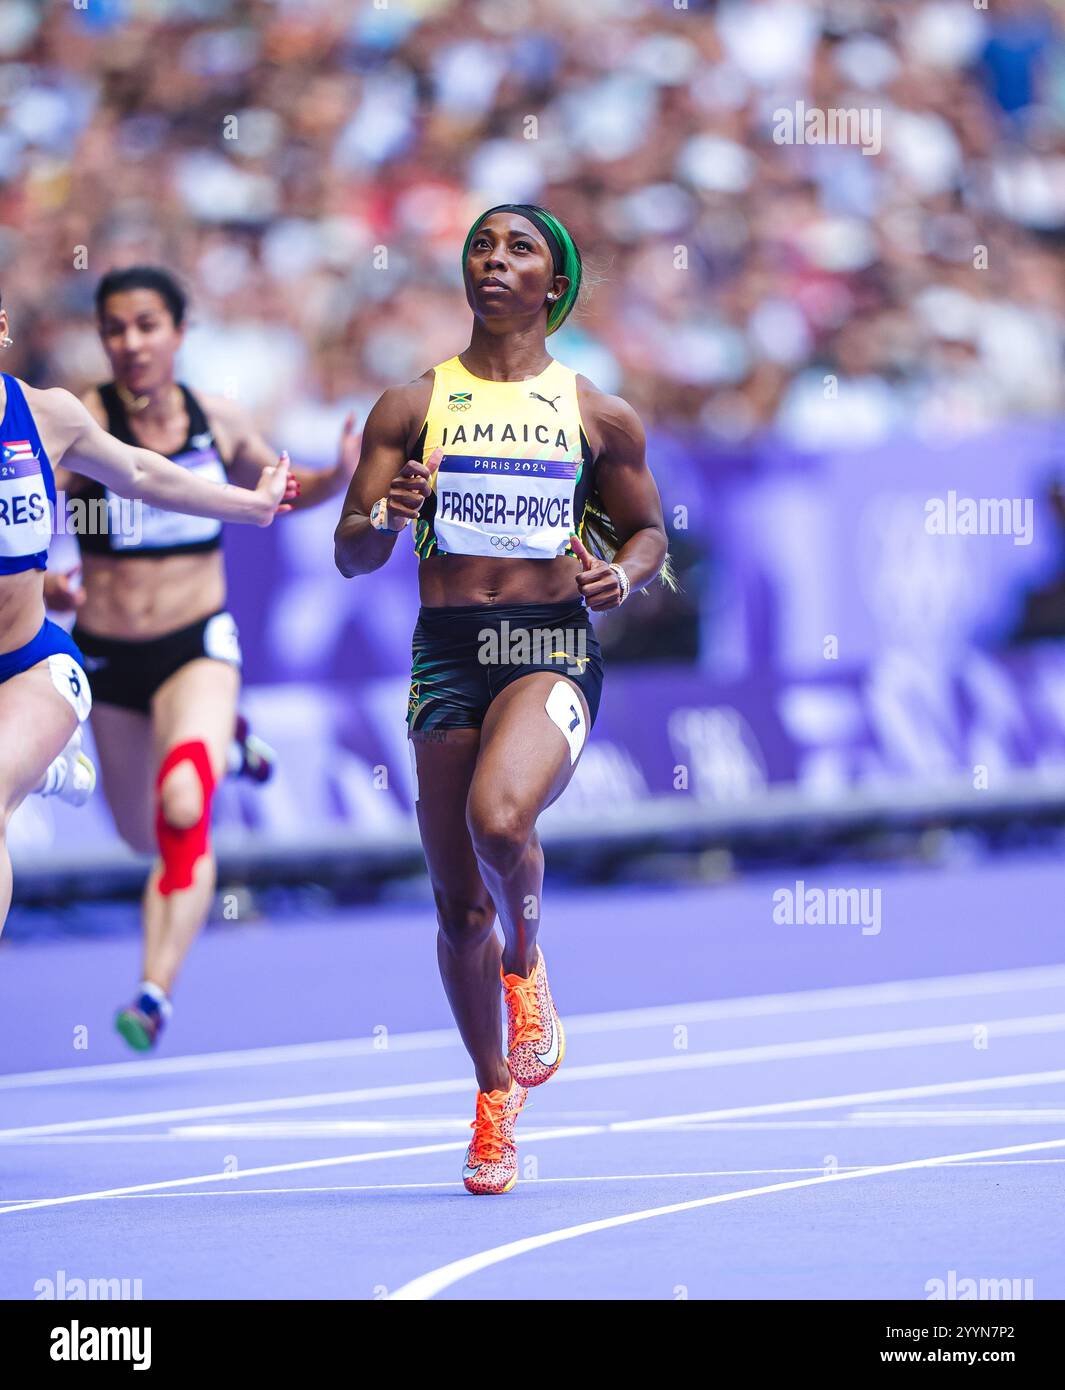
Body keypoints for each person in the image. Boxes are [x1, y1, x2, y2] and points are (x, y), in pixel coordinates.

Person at [335, 204, 670, 1194]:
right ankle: (492, 1098)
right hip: (447, 652)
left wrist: (626, 575)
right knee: (454, 904)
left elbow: (649, 532)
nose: (494, 259)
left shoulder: (598, 414)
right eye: (482, 243)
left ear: (553, 286)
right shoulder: (410, 405)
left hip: (548, 645)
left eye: (519, 248)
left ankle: (530, 963)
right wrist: (384, 518)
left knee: (500, 814)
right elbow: (350, 553)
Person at [43, 266, 359, 1051]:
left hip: (196, 645)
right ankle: (230, 741)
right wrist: (46, 579)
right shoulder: (81, 422)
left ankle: (153, 992)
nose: (130, 343)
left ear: (180, 334)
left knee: (183, 806)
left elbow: (282, 490)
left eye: (147, 325)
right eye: (115, 328)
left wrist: (339, 474)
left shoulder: (215, 420)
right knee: (137, 835)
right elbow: (20, 513)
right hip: (108, 656)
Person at [0, 290, 288, 947]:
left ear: (2, 328)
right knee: (136, 831)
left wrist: (251, 505)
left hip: (29, 666)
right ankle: (43, 767)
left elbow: (136, 470)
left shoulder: (45, 415)